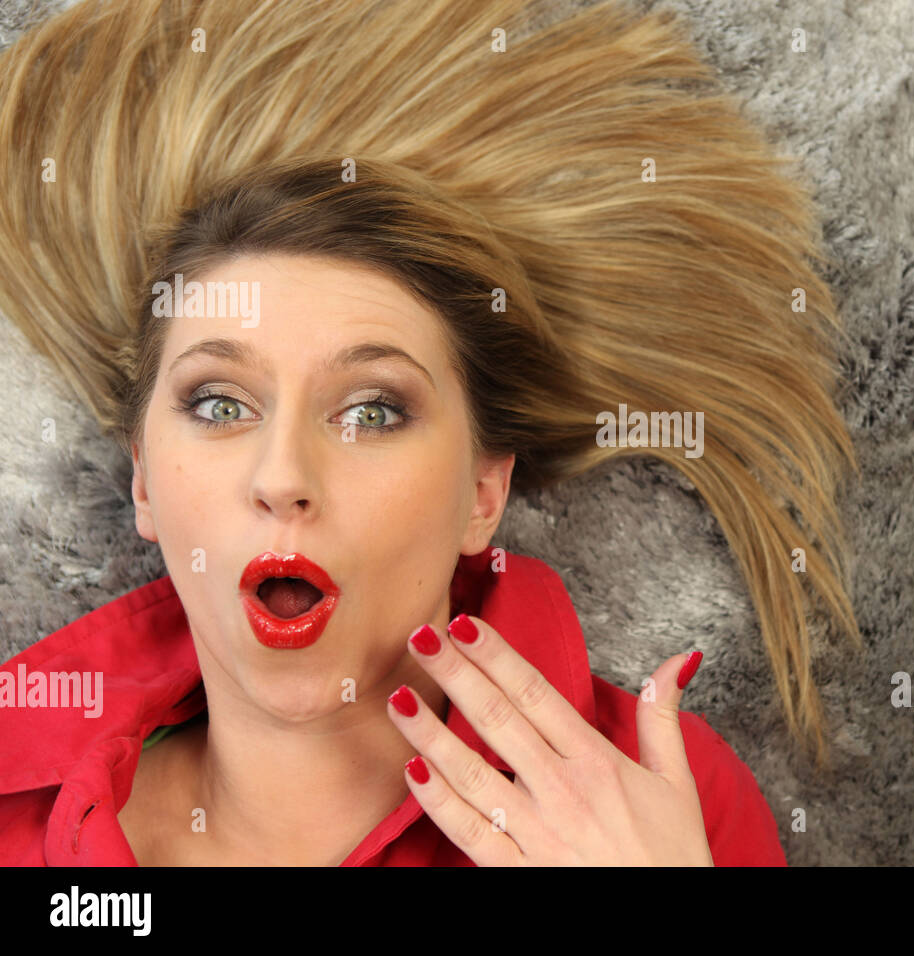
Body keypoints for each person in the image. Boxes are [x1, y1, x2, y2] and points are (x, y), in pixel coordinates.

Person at [0, 0, 861, 865]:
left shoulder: (659, 802)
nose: (283, 474)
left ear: (482, 495)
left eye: (372, 411)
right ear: (144, 479)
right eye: (221, 404)